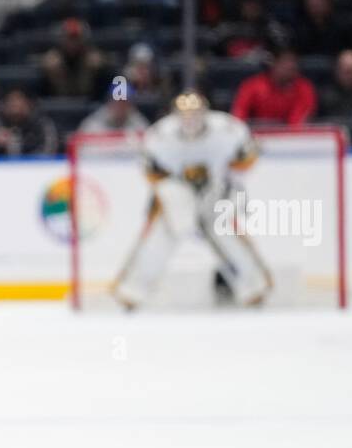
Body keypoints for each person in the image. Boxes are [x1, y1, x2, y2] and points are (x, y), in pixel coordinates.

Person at [112, 91, 271, 309]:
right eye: (185, 115)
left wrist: (228, 183)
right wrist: (169, 195)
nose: (190, 120)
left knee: (223, 230)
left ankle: (254, 287)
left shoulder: (227, 129)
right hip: (178, 189)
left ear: (206, 113)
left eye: (195, 114)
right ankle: (132, 290)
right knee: (164, 232)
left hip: (215, 186)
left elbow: (247, 158)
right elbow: (152, 172)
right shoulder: (160, 136)